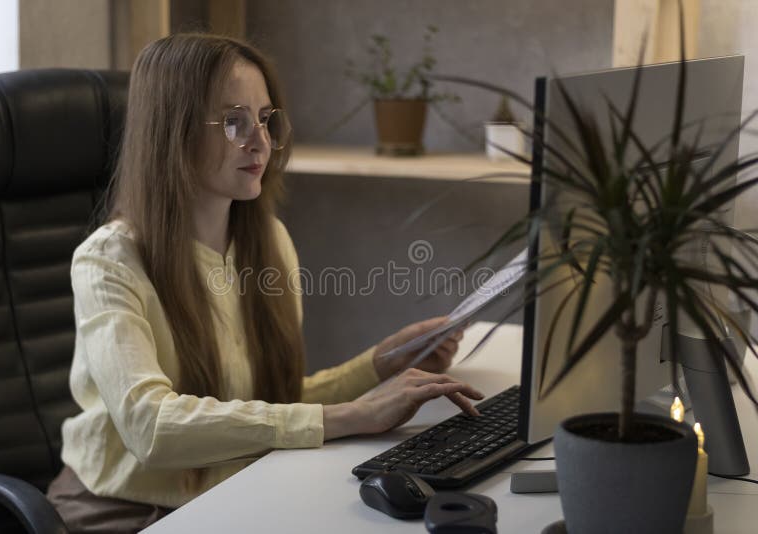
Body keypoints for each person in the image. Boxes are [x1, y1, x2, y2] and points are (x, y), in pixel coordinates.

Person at [46, 33, 482, 533]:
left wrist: (380, 364)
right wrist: (350, 417)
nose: (262, 141)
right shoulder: (109, 261)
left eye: (266, 118)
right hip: (122, 509)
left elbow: (267, 400)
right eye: (233, 121)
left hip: (234, 490)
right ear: (173, 131)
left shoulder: (269, 241)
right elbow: (152, 427)